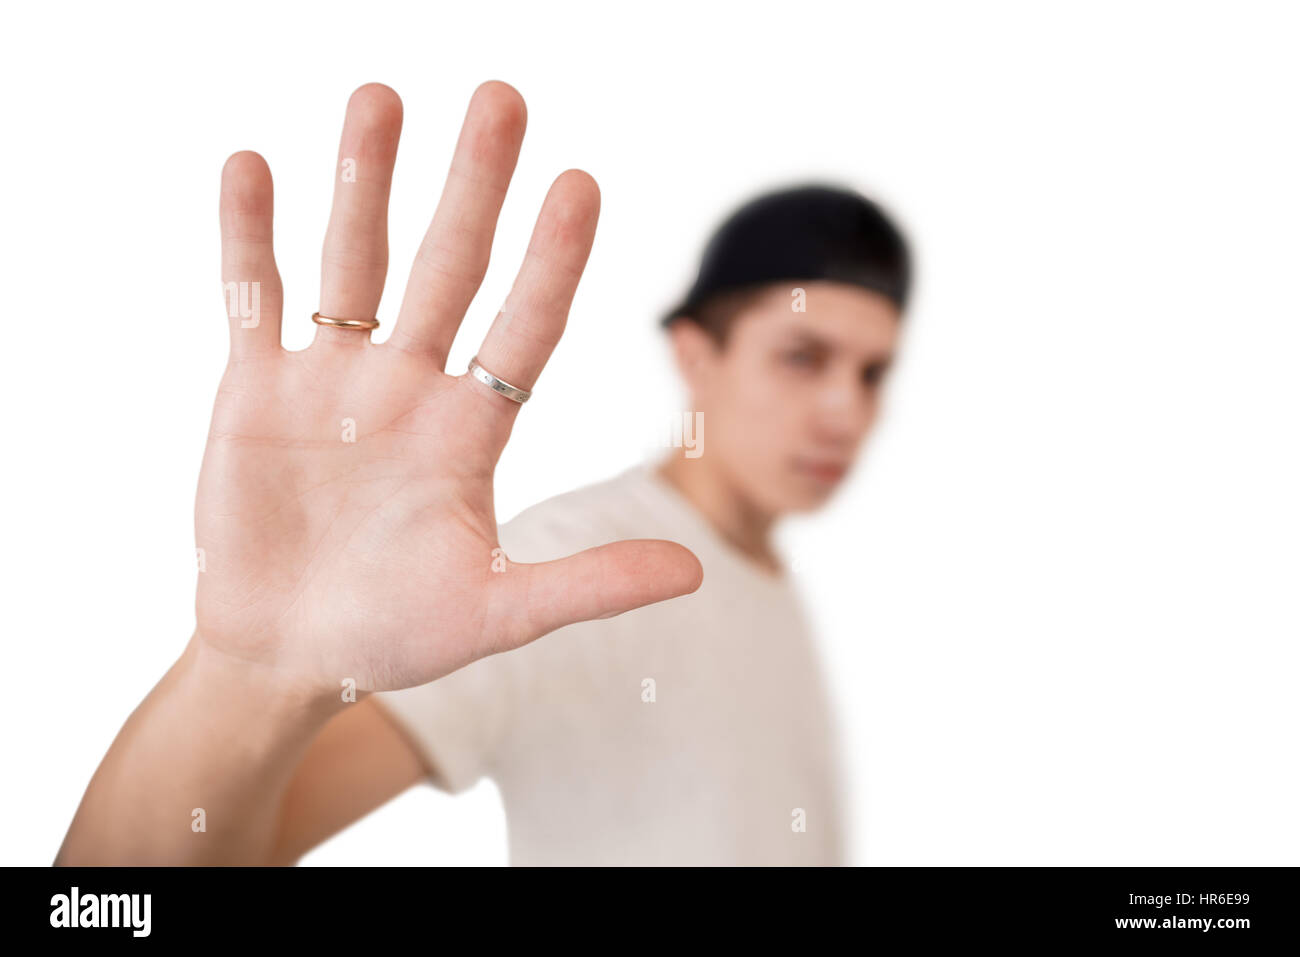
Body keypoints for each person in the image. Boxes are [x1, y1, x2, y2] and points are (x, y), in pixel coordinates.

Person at [55, 80, 909, 867]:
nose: (847, 410)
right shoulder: (570, 569)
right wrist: (252, 679)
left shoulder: (768, 576)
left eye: (873, 373)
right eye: (804, 356)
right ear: (696, 353)